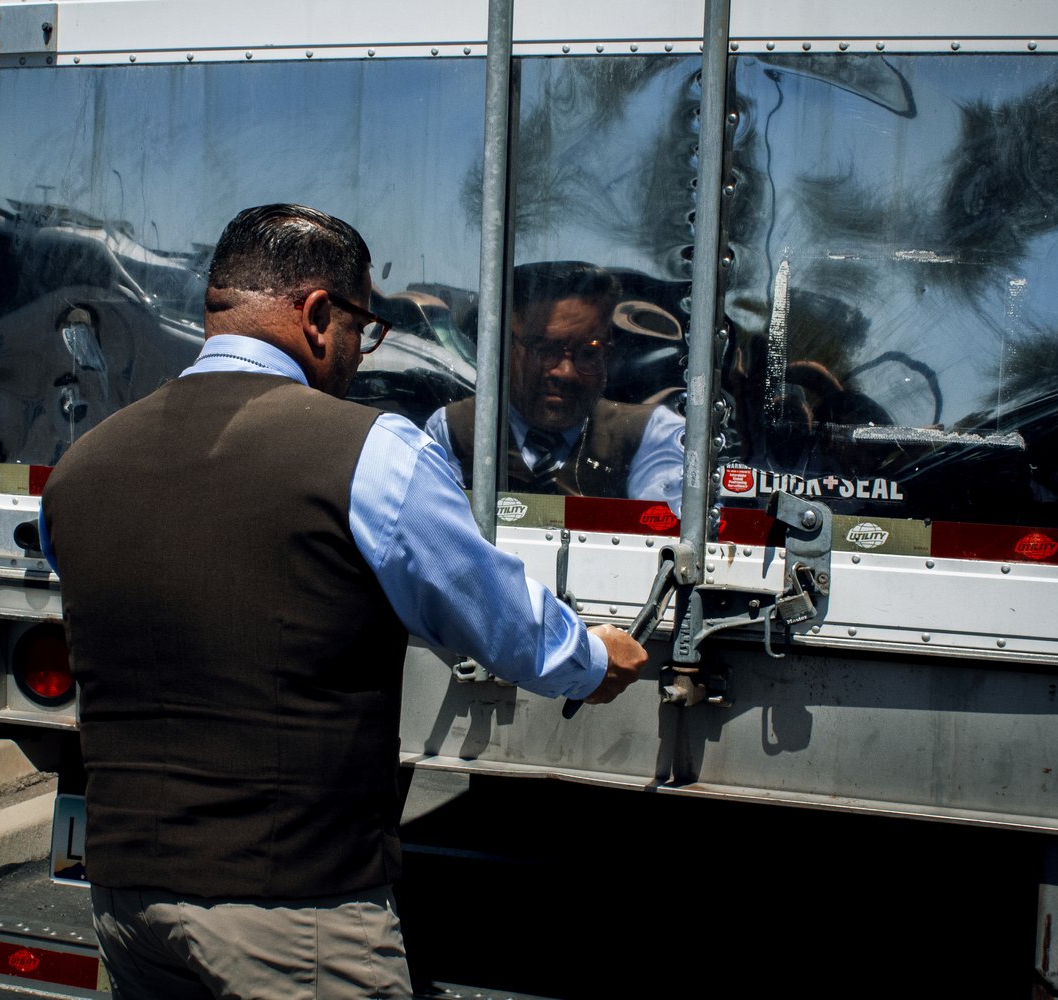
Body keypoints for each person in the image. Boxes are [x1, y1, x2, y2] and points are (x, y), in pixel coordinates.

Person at [39, 205, 648, 1000]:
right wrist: (595, 660)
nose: (364, 356)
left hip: (125, 902)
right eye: (367, 329)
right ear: (320, 315)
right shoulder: (370, 451)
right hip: (293, 910)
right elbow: (487, 610)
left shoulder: (82, 468)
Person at [424, 261, 684, 503]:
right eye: (545, 350)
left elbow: (664, 534)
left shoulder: (652, 434)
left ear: (608, 352)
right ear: (505, 347)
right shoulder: (452, 431)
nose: (566, 372)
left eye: (588, 351)